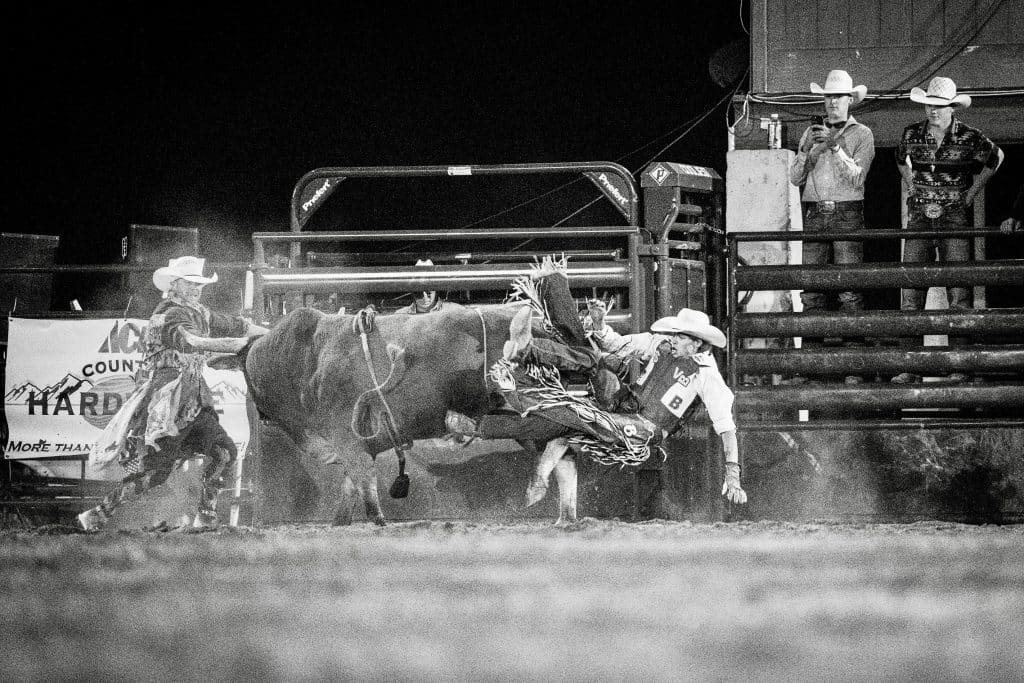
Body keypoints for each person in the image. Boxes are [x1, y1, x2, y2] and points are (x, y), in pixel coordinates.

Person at [479, 258, 746, 506]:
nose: (673, 339)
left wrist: (732, 473)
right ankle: (527, 349)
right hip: (623, 401)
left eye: (680, 336)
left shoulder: (706, 375)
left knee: (577, 417)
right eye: (674, 335)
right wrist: (600, 324)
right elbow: (617, 345)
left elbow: (726, 429)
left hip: (644, 429)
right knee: (592, 361)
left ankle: (510, 404)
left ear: (696, 342)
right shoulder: (660, 345)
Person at [78, 256, 269, 531]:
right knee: (155, 473)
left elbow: (237, 324)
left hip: (191, 400)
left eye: (198, 284)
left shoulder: (197, 312)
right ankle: (99, 512)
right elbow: (193, 340)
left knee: (223, 451)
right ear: (175, 285)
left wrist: (272, 334)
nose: (195, 289)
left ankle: (206, 515)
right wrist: (238, 345)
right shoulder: (169, 314)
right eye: (190, 283)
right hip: (167, 403)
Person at [892, 77, 1004, 384]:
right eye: (930, 105)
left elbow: (996, 157)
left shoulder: (969, 136)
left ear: (952, 107)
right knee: (912, 290)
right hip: (919, 216)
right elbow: (900, 159)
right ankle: (910, 368)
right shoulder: (912, 133)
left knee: (958, 292)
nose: (933, 111)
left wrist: (972, 192)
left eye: (939, 106)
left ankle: (959, 368)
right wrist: (913, 186)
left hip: (954, 215)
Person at [788, 69, 875, 384]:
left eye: (837, 97)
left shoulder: (862, 134)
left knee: (849, 290)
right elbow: (795, 178)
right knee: (811, 290)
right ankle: (810, 368)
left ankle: (853, 366)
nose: (832, 102)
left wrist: (835, 147)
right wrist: (811, 152)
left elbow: (857, 178)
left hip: (847, 211)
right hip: (815, 212)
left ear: (849, 100)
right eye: (828, 97)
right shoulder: (810, 133)